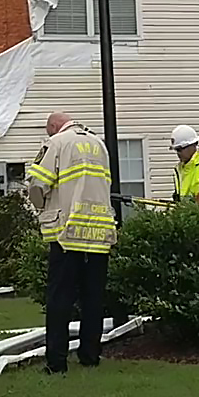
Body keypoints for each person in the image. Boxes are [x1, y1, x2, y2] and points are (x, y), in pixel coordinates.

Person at [26, 111, 117, 374]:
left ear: (54, 127)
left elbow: (36, 186)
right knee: (93, 298)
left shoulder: (57, 143)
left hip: (67, 233)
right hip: (100, 234)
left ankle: (57, 363)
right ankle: (90, 356)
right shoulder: (99, 144)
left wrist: (40, 206)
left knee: (60, 300)